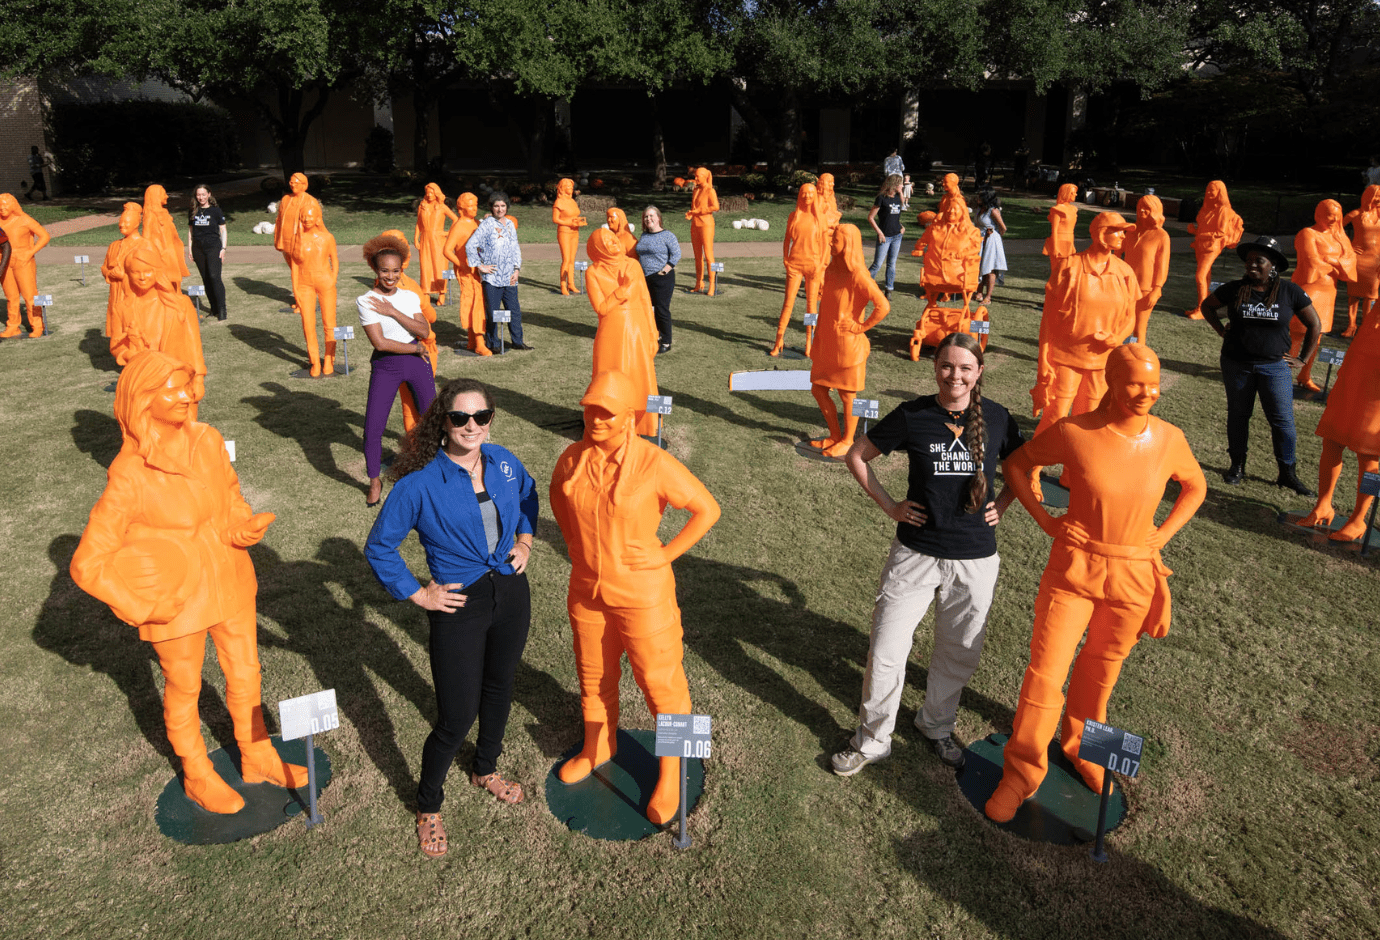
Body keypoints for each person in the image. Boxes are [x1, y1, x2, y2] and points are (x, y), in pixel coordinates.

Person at [70, 350, 307, 815]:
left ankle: (257, 752)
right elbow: (87, 563)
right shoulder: (129, 474)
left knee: (246, 672)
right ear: (142, 400)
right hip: (175, 602)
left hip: (232, 579)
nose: (187, 396)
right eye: (172, 389)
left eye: (187, 385)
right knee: (185, 686)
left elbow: (232, 495)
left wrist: (241, 525)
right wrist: (140, 606)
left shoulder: (208, 439)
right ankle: (197, 772)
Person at [985, 344, 1207, 823]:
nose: (1146, 394)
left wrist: (1162, 534)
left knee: (1101, 673)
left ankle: (1085, 750)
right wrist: (1047, 520)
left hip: (1135, 576)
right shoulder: (1074, 431)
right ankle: (1021, 772)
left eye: (1153, 383)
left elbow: (1196, 486)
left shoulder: (1169, 438)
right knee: (1046, 672)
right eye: (1134, 383)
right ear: (1109, 380)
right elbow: (1017, 465)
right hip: (1074, 571)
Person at [833, 332, 1023, 776]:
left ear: (978, 373)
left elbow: (1025, 467)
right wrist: (890, 506)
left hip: (975, 558)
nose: (954, 375)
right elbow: (857, 455)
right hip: (914, 554)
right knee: (885, 649)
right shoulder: (913, 414)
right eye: (946, 366)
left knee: (958, 650)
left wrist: (1005, 504)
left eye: (964, 368)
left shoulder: (997, 418)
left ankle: (936, 724)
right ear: (935, 367)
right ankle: (873, 739)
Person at [365, 378, 537, 859]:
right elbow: (379, 547)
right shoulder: (418, 485)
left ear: (490, 420)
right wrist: (418, 593)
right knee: (456, 716)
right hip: (458, 603)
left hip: (510, 590)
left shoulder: (503, 462)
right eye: (460, 418)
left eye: (480, 417)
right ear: (442, 421)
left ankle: (486, 768)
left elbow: (528, 494)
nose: (471, 426)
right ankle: (428, 803)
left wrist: (524, 540)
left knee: (501, 688)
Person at [549, 370, 721, 826]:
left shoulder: (653, 462)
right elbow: (557, 499)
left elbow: (707, 508)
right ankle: (598, 744)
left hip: (643, 595)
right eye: (590, 409)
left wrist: (665, 554)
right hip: (587, 591)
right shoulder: (571, 458)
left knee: (660, 681)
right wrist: (575, 547)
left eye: (606, 412)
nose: (595, 419)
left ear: (630, 417)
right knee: (593, 674)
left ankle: (672, 770)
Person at [1200, 236, 1321, 492]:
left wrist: (1303, 359)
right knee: (1238, 415)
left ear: (1273, 264)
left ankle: (1287, 473)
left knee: (1282, 421)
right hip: (1236, 364)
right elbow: (1207, 306)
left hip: (1274, 367)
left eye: (1259, 261)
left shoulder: (1290, 291)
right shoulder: (1234, 289)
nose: (1251, 265)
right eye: (1249, 261)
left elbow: (1314, 325)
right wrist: (1221, 331)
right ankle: (1237, 466)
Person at [357, 233, 436, 507]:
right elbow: (380, 342)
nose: (390, 276)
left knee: (433, 420)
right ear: (375, 270)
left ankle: (437, 471)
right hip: (386, 365)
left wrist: (392, 312)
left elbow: (424, 330)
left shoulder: (410, 296)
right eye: (384, 271)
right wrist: (415, 348)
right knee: (373, 427)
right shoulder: (365, 300)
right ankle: (374, 480)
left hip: (417, 365)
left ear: (402, 269)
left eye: (395, 271)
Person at [812, 224, 890, 457]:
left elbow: (883, 306)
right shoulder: (831, 270)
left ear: (847, 244)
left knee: (847, 395)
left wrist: (860, 327)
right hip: (826, 342)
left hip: (847, 346)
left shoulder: (858, 275)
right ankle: (835, 435)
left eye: (835, 240)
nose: (831, 243)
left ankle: (847, 440)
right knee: (818, 389)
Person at [1289, 200, 1356, 391]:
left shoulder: (1341, 238)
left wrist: (1330, 260)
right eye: (1329, 214)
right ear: (1319, 214)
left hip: (1329, 292)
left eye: (1337, 215)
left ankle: (1305, 375)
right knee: (1298, 333)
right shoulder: (1307, 234)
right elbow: (1311, 263)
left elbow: (1351, 263)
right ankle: (1282, 373)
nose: (1334, 219)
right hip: (1308, 289)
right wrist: (1337, 264)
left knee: (1317, 336)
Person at [466, 191, 531, 351]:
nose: (500, 209)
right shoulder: (486, 225)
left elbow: (516, 248)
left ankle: (518, 341)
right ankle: (493, 344)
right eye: (496, 206)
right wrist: (480, 266)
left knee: (514, 310)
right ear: (491, 207)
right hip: (492, 277)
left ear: (507, 207)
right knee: (492, 312)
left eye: (503, 206)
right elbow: (470, 245)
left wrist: (516, 269)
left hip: (509, 276)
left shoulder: (509, 224)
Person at [770, 183, 826, 357]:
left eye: (810, 193)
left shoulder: (820, 218)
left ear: (815, 195)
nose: (807, 196)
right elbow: (787, 239)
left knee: (811, 306)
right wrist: (785, 259)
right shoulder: (794, 216)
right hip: (794, 265)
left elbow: (825, 245)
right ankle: (778, 340)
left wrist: (821, 264)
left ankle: (810, 343)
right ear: (800, 195)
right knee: (788, 303)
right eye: (804, 193)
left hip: (813, 267)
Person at [291, 203, 340, 377]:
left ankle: (329, 360)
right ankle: (314, 362)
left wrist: (332, 279)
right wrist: (296, 289)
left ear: (318, 217)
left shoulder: (327, 238)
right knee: (308, 325)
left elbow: (334, 260)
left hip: (325, 282)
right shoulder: (298, 239)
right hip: (305, 285)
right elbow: (295, 266)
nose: (307, 219)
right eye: (304, 216)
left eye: (311, 216)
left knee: (329, 323)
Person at [441, 192, 492, 356]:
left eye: (476, 205)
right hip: (467, 273)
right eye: (471, 205)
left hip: (479, 271)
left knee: (477, 304)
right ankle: (479, 343)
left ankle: (472, 341)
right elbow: (447, 250)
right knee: (475, 305)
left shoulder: (477, 223)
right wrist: (462, 265)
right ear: (461, 209)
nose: (474, 208)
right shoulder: (459, 225)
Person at [1185, 180, 1244, 320]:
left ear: (1220, 192)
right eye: (1208, 190)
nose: (1210, 193)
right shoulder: (1206, 210)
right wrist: (1194, 231)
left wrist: (1200, 234)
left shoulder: (1224, 211)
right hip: (1201, 245)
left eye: (1213, 190)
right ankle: (1203, 306)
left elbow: (1220, 233)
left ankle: (1202, 308)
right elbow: (1203, 228)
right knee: (1205, 276)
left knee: (1200, 275)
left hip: (1212, 246)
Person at [0, 192, 51, 337]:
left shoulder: (24, 219)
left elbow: (45, 236)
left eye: (5, 205)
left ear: (12, 205)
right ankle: (13, 326)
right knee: (11, 296)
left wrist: (30, 252)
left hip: (23, 260)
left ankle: (37, 325)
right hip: (4, 261)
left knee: (30, 295)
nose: (2, 208)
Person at [1123, 194, 1172, 344]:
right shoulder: (1130, 231)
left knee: (1139, 326)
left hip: (1146, 288)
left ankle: (1137, 359)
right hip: (1125, 284)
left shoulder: (1161, 236)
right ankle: (1121, 356)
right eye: (1140, 207)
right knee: (1123, 323)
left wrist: (1157, 289)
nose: (1142, 211)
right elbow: (1118, 254)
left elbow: (1162, 265)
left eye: (1147, 208)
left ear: (1155, 210)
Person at [635, 205, 680, 353]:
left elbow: (676, 254)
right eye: (646, 217)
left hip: (662, 278)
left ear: (658, 218)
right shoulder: (644, 236)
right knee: (648, 309)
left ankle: (666, 342)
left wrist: (665, 270)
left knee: (661, 309)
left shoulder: (667, 235)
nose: (648, 219)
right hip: (644, 278)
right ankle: (654, 335)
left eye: (651, 216)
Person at [103, 202, 143, 354]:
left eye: (126, 222)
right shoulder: (114, 245)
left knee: (133, 327)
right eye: (120, 222)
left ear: (136, 223)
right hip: (116, 294)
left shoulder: (143, 245)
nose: (122, 225)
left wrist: (124, 276)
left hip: (133, 294)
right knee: (117, 328)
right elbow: (104, 267)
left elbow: (146, 272)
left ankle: (136, 357)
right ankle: (123, 357)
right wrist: (108, 273)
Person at [1341, 185, 1380, 337]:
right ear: (1369, 197)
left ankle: (1366, 326)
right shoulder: (1356, 214)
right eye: (1377, 197)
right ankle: (1351, 325)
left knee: (1371, 295)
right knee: (1354, 295)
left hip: (1376, 262)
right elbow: (1336, 230)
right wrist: (1348, 247)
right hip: (1358, 259)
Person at [186, 184, 228, 321]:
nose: (201, 197)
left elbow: (223, 230)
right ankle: (213, 308)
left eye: (203, 194)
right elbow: (191, 231)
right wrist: (190, 249)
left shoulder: (216, 211)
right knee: (206, 279)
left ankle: (222, 309)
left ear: (209, 194)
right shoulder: (193, 210)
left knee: (214, 276)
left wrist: (223, 248)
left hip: (213, 246)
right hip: (198, 248)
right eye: (198, 195)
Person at [414, 182, 457, 303]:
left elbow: (456, 220)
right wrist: (416, 238)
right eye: (427, 192)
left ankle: (441, 293)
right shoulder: (422, 206)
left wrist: (446, 233)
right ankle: (426, 291)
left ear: (437, 193)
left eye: (432, 192)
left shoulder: (442, 207)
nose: (429, 194)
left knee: (439, 266)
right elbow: (418, 224)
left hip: (438, 240)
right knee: (425, 266)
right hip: (425, 239)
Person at [142, 184, 189, 289]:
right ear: (156, 196)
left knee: (174, 279)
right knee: (165, 280)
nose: (166, 196)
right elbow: (146, 237)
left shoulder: (164, 213)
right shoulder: (150, 215)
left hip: (170, 252)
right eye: (164, 194)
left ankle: (176, 296)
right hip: (160, 254)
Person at [867, 174, 905, 298]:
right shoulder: (881, 198)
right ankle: (864, 284)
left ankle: (889, 289)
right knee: (877, 264)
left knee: (892, 264)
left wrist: (901, 225)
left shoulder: (898, 197)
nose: (902, 186)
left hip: (897, 235)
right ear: (894, 184)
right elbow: (871, 217)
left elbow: (898, 212)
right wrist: (879, 232)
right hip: (885, 237)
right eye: (900, 183)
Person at [685, 167, 720, 295]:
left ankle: (712, 284)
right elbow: (695, 206)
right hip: (695, 224)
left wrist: (697, 211)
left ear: (705, 176)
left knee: (708, 255)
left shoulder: (710, 190)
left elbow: (715, 207)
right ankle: (699, 283)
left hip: (706, 225)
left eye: (698, 176)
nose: (695, 178)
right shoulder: (695, 190)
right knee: (697, 256)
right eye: (695, 176)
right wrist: (691, 214)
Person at [552, 178, 586, 295]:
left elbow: (575, 214)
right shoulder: (559, 202)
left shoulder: (572, 201)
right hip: (564, 232)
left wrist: (578, 222)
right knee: (566, 259)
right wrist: (569, 223)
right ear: (562, 188)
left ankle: (571, 284)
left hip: (574, 232)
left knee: (572, 259)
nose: (571, 189)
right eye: (568, 187)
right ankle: (563, 285)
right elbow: (555, 219)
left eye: (571, 187)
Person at [974, 189, 1007, 306]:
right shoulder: (979, 209)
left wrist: (995, 236)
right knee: (978, 266)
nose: (977, 198)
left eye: (980, 197)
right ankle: (979, 292)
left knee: (989, 267)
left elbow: (1003, 227)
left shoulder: (993, 211)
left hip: (991, 240)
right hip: (979, 239)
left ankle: (988, 296)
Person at [1043, 183, 1078, 278]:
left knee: (1067, 271)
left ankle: (1063, 290)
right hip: (1059, 243)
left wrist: (1072, 245)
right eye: (1073, 193)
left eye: (1075, 193)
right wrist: (1054, 247)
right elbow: (1054, 230)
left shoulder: (1074, 209)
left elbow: (1072, 230)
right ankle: (1055, 290)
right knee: (1058, 271)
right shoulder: (1057, 210)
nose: (1075, 195)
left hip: (1069, 242)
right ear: (1066, 193)